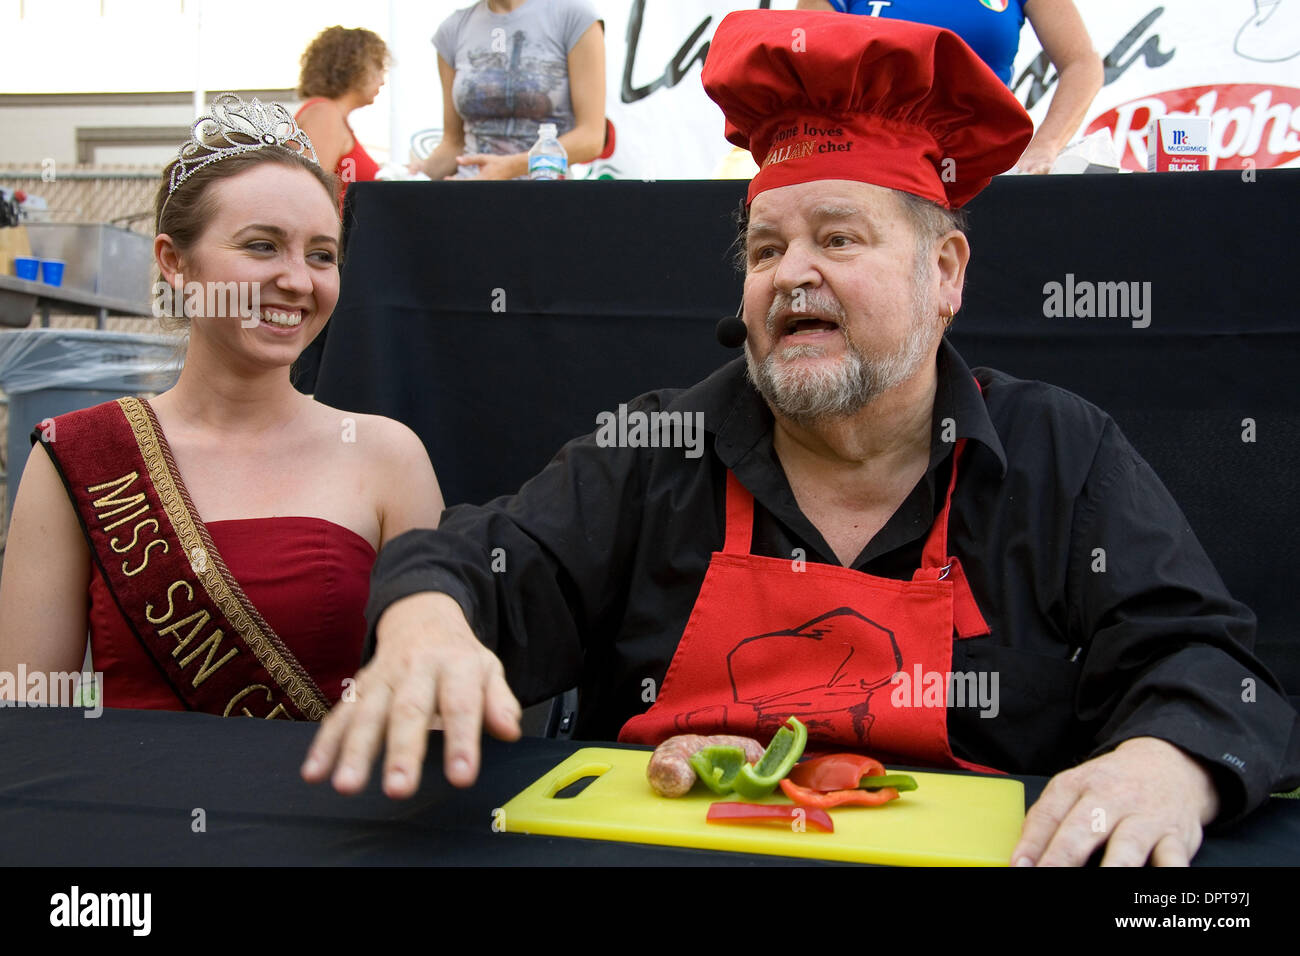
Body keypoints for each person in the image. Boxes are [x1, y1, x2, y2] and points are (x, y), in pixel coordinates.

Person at [302, 13, 1298, 865]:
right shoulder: (665, 444)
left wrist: (1168, 758)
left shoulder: (1057, 453)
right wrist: (427, 614)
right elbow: (482, 559)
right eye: (767, 247)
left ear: (945, 272)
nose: (790, 273)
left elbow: (1208, 661)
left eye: (838, 235)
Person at [0, 94, 443, 719]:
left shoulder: (389, 455)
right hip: (126, 810)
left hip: (325, 814)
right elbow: (24, 716)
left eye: (321, 254)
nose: (297, 279)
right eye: (262, 246)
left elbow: (426, 709)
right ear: (174, 262)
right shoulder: (78, 454)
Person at [796, 0, 1103, 173]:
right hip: (866, 165)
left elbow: (1081, 64)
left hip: (979, 169)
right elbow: (803, 63)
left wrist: (1045, 148)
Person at [420, 0, 606, 181]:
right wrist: (410, 176)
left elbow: (591, 139)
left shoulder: (575, 16)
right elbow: (453, 142)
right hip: (471, 192)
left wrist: (509, 167)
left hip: (545, 192)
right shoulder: (452, 30)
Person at [296, 26, 391, 207]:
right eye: (378, 67)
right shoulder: (324, 114)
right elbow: (309, 194)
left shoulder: (329, 114)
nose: (382, 80)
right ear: (353, 66)